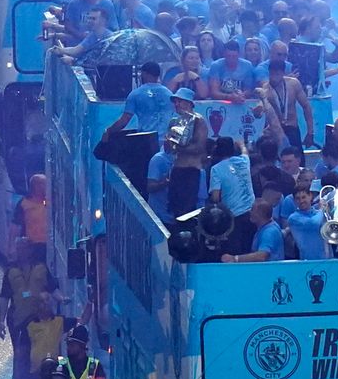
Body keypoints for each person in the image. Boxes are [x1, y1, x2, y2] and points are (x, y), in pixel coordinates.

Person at [208, 137, 256, 256]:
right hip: (253, 214)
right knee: (250, 250)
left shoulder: (216, 170)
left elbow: (215, 197)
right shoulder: (244, 161)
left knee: (235, 254)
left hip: (234, 218)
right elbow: (245, 151)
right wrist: (241, 144)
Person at [166, 88, 209, 217]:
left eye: (180, 101)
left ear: (188, 103)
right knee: (174, 207)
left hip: (191, 170)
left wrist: (179, 148)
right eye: (175, 102)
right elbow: (170, 147)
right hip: (178, 169)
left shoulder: (198, 121)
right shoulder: (177, 121)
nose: (177, 104)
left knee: (188, 211)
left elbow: (199, 147)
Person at [103, 62, 175, 137]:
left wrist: (108, 131)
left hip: (146, 141)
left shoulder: (135, 94)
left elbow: (125, 120)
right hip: (166, 142)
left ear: (144, 74)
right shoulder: (169, 94)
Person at [10, 173, 52, 262]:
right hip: (31, 246)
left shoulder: (49, 202)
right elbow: (15, 226)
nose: (47, 187)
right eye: (43, 184)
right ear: (36, 187)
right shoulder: (24, 204)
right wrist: (12, 248)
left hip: (48, 246)